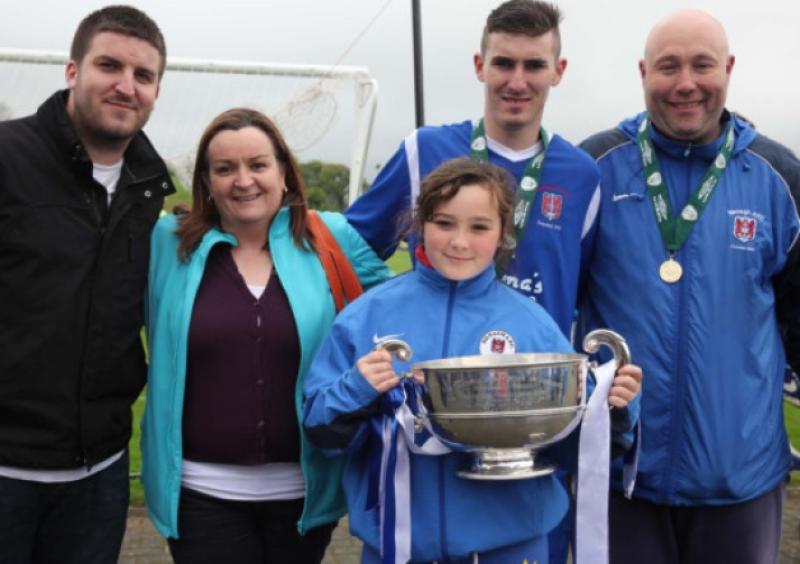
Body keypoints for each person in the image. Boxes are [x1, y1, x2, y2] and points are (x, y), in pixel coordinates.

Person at [344, 2, 636, 560]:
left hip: (532, 424)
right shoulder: (425, 150)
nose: (517, 81)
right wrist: (398, 306)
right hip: (432, 429)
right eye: (503, 63)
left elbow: (581, 289)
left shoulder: (581, 175)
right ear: (480, 65)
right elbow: (354, 249)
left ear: (558, 71)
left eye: (534, 65)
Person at [304, 158, 642, 563]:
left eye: (479, 227)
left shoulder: (532, 324)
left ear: (502, 235)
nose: (459, 242)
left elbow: (571, 450)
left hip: (511, 548)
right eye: (444, 223)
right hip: (398, 545)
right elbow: (321, 432)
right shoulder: (366, 316)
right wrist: (357, 389)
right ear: (420, 224)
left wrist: (613, 408)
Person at [578, 9, 800, 564]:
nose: (685, 84)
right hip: (619, 475)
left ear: (727, 68)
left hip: (740, 480)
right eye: (668, 67)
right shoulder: (595, 166)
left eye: (702, 66)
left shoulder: (778, 174)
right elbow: (553, 307)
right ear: (643, 72)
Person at [141, 108, 390, 563]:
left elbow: (401, 309)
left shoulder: (330, 236)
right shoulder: (167, 242)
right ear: (206, 181)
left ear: (283, 171)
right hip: (199, 494)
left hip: (303, 497)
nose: (243, 181)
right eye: (225, 169)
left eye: (258, 164)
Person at [0, 6, 171, 563]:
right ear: (73, 71)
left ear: (156, 91)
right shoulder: (9, 156)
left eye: (143, 75)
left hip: (99, 477)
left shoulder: (149, 189)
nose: (126, 86)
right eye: (109, 66)